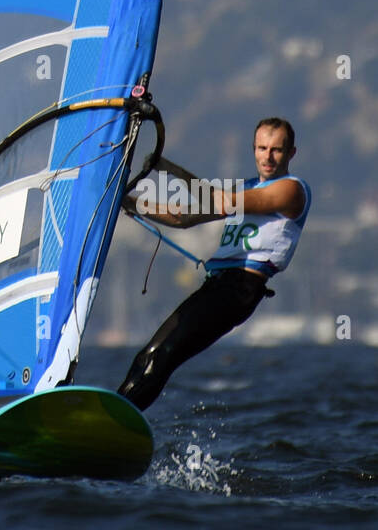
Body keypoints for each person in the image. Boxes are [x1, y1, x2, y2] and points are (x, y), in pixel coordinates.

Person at [116, 117, 311, 411]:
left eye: (277, 150)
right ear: (253, 149)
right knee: (156, 356)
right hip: (217, 287)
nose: (268, 157)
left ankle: (112, 418)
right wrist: (126, 201)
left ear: (291, 153)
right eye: (262, 148)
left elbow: (220, 202)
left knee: (158, 354)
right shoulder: (244, 188)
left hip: (240, 289)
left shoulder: (291, 190)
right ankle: (116, 421)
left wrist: (168, 169)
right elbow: (183, 218)